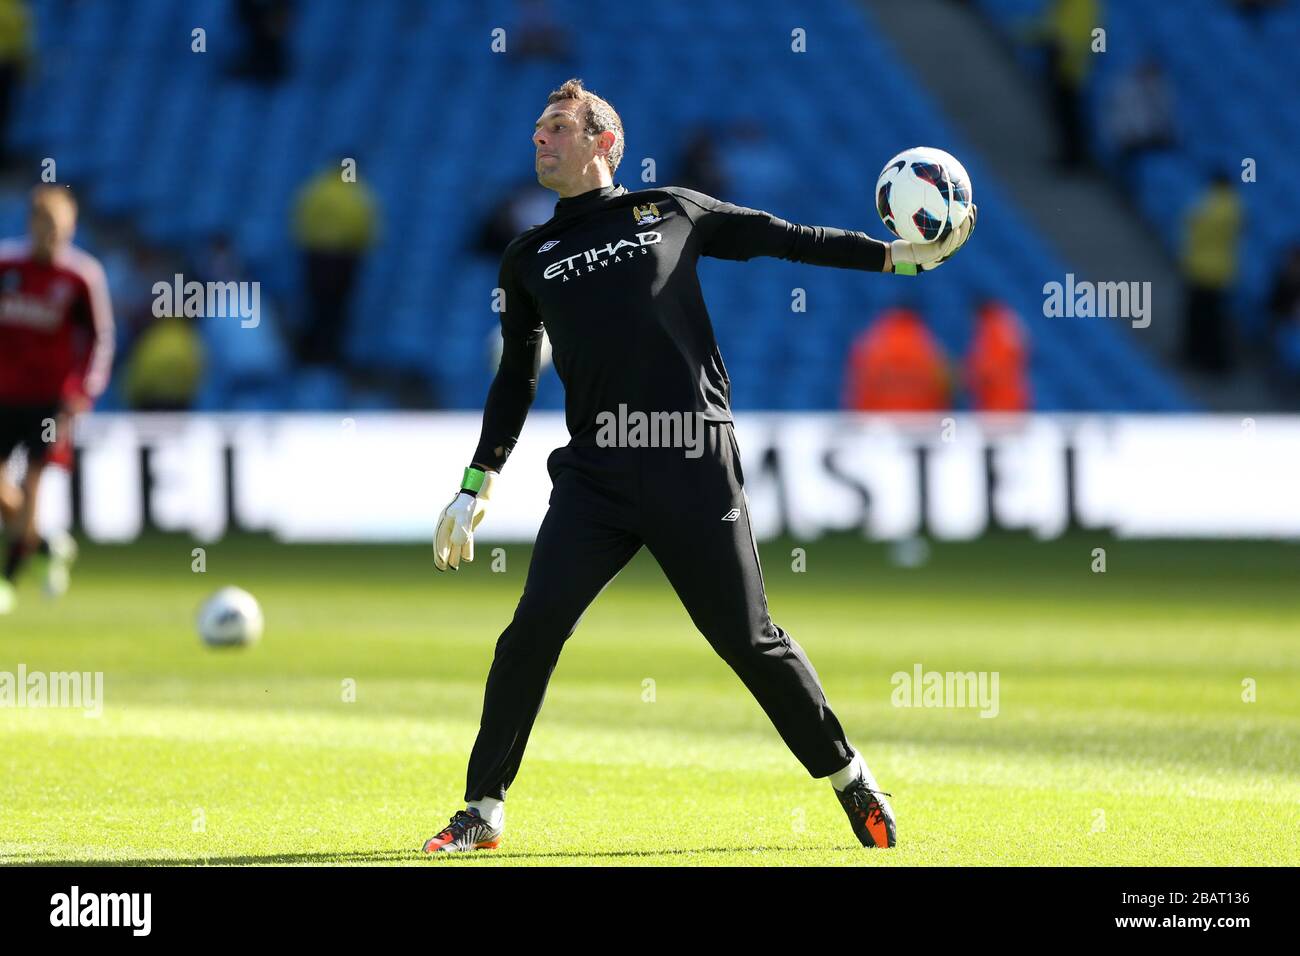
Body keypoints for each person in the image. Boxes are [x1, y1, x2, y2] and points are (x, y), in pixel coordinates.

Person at [421, 78, 977, 854]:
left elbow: (787, 237)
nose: (540, 140)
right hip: (597, 474)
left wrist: (897, 261)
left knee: (748, 639)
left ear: (604, 143)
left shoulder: (672, 209)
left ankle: (852, 779)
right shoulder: (529, 257)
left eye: (557, 128)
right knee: (532, 631)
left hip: (693, 457)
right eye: (538, 130)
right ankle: (482, 808)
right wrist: (475, 483)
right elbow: (515, 378)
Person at [0, 186, 114, 613]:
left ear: (71, 230)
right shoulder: (6, 265)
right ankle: (46, 544)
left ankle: (7, 579)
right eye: (46, 228)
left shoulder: (81, 275)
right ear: (31, 226)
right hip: (3, 393)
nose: (53, 238)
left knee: (31, 485)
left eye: (61, 230)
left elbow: (100, 339)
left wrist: (84, 390)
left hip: (49, 401)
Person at [291, 157, 379, 372]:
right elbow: (366, 225)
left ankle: (312, 354)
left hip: (317, 255)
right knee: (336, 309)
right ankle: (328, 353)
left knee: (316, 305)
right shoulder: (357, 193)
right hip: (344, 257)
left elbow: (301, 217)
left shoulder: (317, 188)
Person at [1180, 171, 1242, 373]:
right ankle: (1214, 360)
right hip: (1222, 270)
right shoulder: (1235, 207)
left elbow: (1190, 223)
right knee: (1214, 319)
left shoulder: (1208, 204)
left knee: (1200, 317)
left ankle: (1201, 356)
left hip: (1201, 269)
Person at [843, 306, 953, 411]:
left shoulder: (869, 348)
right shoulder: (933, 349)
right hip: (925, 424)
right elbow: (947, 391)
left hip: (876, 424)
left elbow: (853, 391)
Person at [965, 299, 1032, 411]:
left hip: (996, 399)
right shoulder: (1009, 323)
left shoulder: (991, 331)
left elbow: (988, 370)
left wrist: (971, 376)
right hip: (1015, 395)